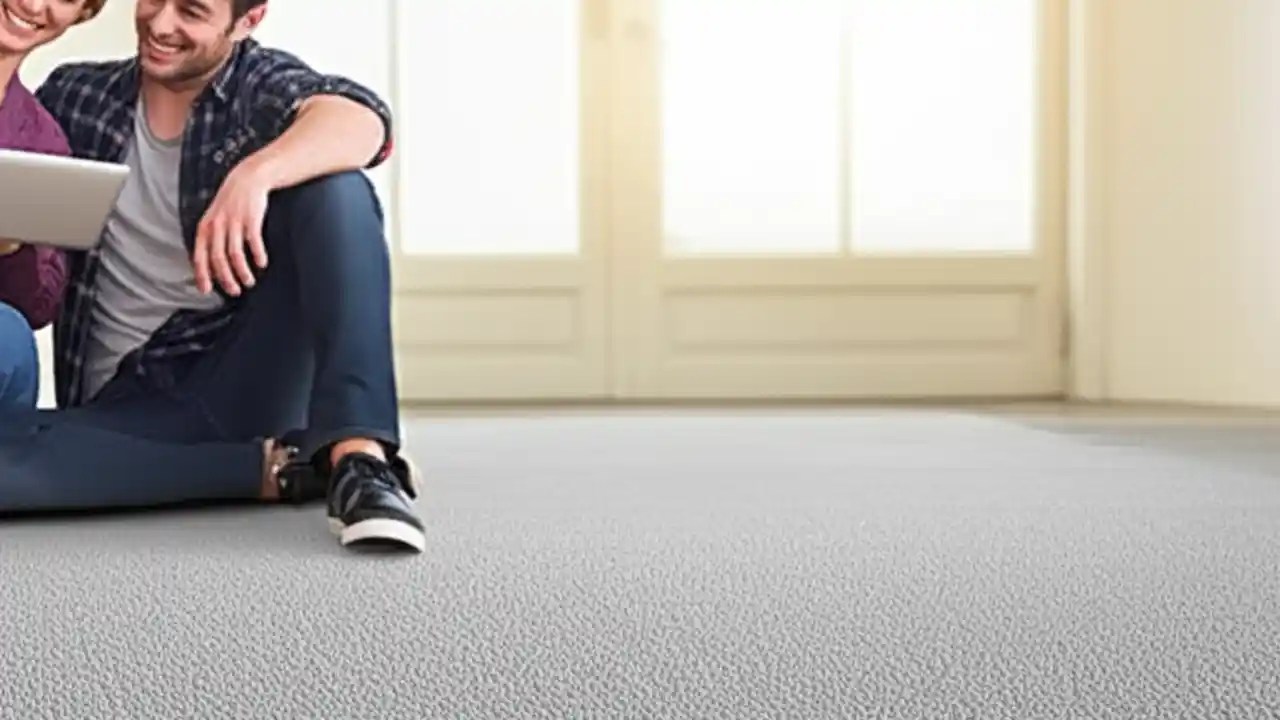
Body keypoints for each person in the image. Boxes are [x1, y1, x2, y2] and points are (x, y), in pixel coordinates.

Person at [0, 0, 426, 553]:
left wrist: (255, 175)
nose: (161, 24)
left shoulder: (257, 89)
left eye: (193, 12)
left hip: (237, 375)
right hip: (123, 404)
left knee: (337, 190)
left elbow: (364, 119)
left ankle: (361, 459)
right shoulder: (74, 97)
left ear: (248, 21)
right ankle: (279, 470)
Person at [0, 0, 107, 413]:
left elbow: (39, 307)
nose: (33, 4)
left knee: (10, 337)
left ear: (83, 13)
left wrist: (12, 247)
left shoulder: (43, 144)